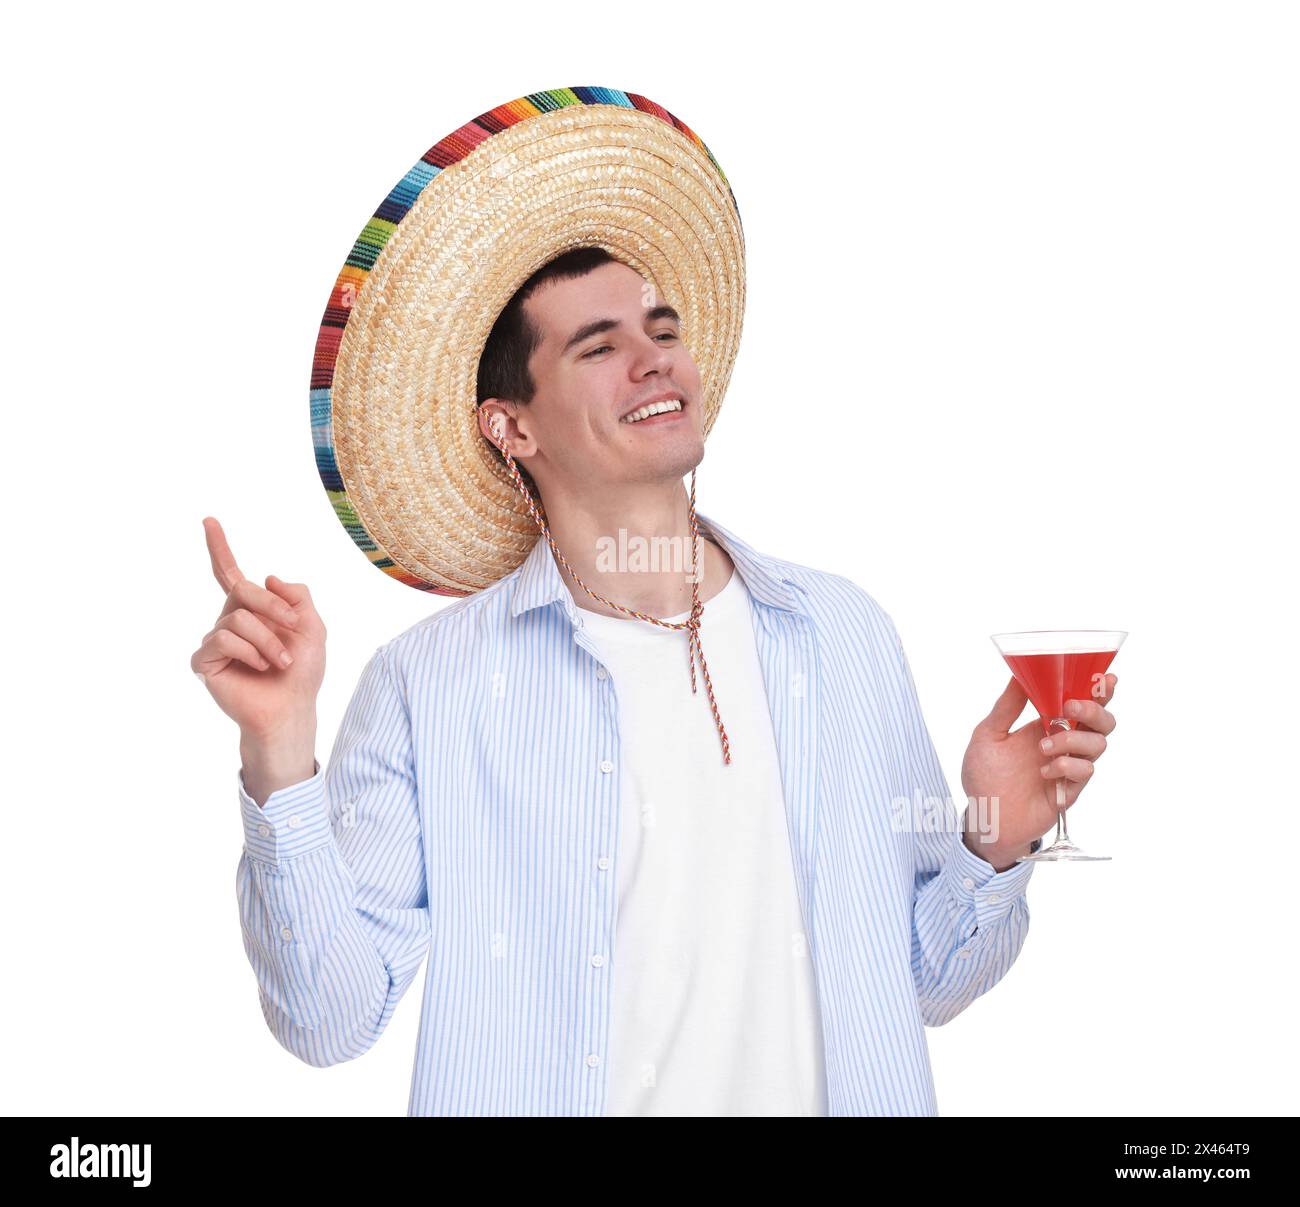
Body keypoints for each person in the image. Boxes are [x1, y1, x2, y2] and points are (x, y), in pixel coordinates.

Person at [193, 90, 1119, 1117]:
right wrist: (278, 753)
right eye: (597, 346)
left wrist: (997, 841)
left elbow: (925, 983)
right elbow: (328, 1020)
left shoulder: (842, 635)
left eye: (662, 327)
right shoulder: (429, 685)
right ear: (511, 426)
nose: (657, 359)